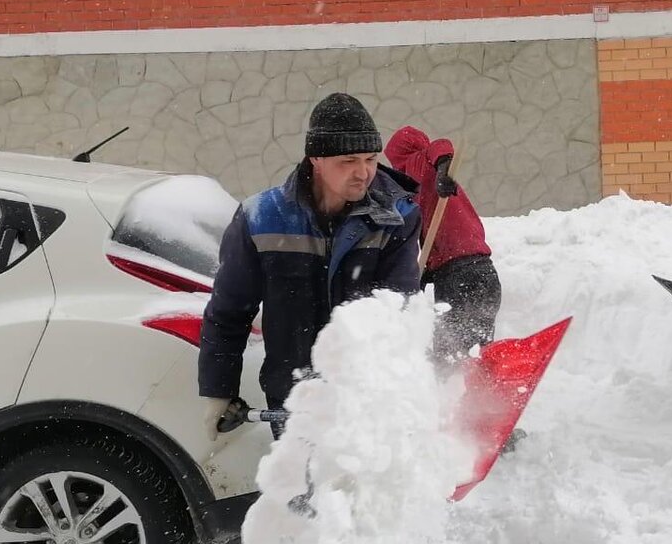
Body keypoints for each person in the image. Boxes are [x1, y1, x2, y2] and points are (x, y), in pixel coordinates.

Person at [199, 93, 423, 439]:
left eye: (370, 159)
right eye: (348, 160)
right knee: (298, 492)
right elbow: (229, 310)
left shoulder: (396, 218)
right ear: (316, 158)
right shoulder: (261, 218)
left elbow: (399, 309)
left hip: (366, 398)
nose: (363, 172)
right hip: (293, 394)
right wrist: (219, 389)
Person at [384, 126, 501, 365]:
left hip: (458, 279)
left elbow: (441, 146)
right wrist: (427, 270)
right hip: (485, 274)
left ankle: (453, 397)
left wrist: (443, 168)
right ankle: (487, 394)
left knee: (448, 359)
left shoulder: (415, 165)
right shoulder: (433, 187)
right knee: (478, 352)